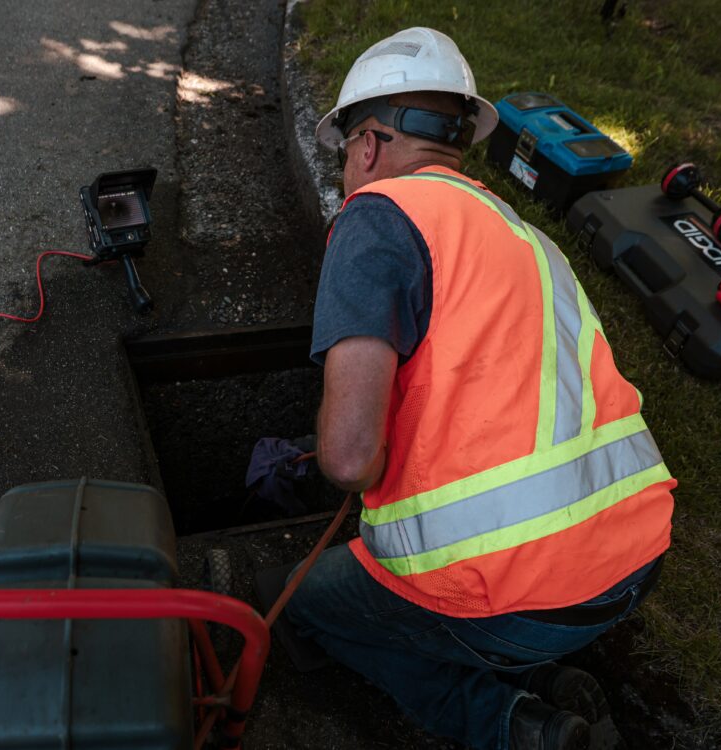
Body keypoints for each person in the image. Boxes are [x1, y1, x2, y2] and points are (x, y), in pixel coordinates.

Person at [284, 27, 677, 750]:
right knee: (483, 614)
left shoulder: (376, 217)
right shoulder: (528, 239)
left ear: (366, 145)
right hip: (634, 559)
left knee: (309, 605)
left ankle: (512, 725)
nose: (346, 170)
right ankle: (546, 677)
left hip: (517, 596)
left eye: (344, 155)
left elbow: (347, 461)